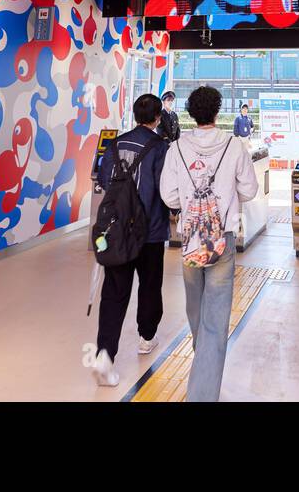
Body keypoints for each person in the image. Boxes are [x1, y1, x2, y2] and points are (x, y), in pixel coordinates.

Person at [159, 85, 258, 401]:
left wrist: (191, 205)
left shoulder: (176, 148)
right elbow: (250, 190)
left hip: (190, 239)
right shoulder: (234, 146)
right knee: (215, 317)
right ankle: (203, 389)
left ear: (190, 112)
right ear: (217, 111)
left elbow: (169, 195)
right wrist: (226, 199)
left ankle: (203, 359)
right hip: (222, 238)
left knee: (195, 306)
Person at [91, 93, 171, 388]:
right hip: (150, 234)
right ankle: (146, 337)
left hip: (116, 234)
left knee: (114, 293)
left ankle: (104, 355)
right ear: (158, 117)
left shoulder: (114, 144)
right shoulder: (160, 148)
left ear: (136, 115)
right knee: (150, 286)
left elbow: (102, 180)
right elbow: (166, 189)